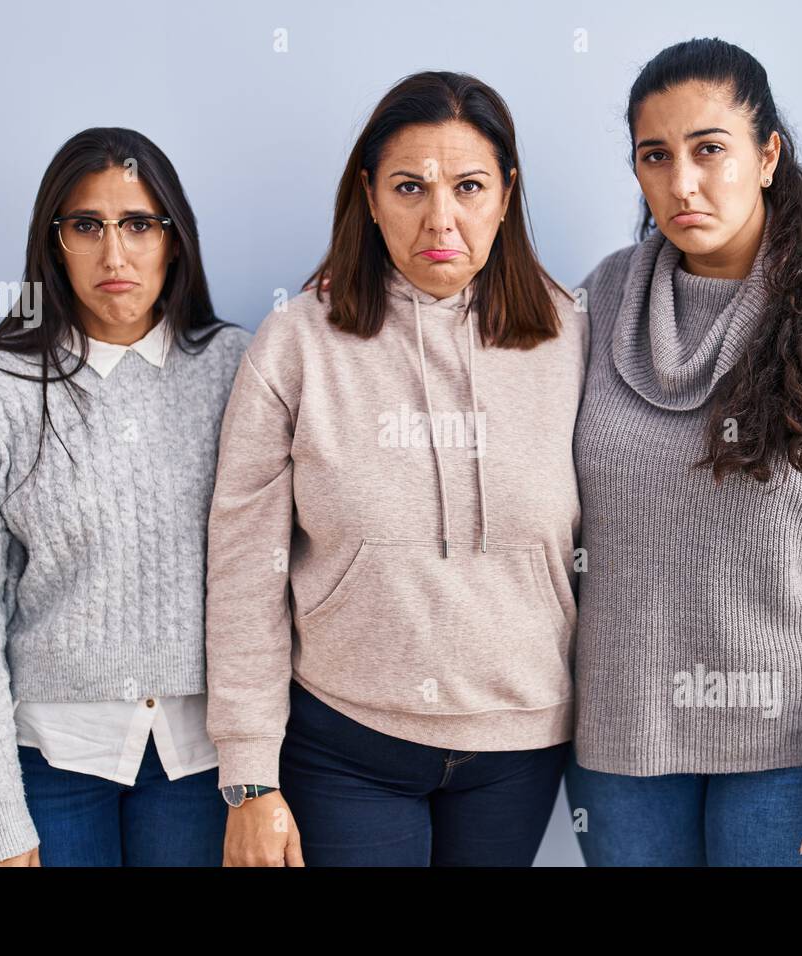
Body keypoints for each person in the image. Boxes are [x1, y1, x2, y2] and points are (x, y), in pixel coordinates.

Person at [204, 71, 589, 866]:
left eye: (470, 186)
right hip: (345, 742)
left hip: (519, 745)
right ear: (370, 196)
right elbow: (244, 569)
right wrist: (248, 778)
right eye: (410, 186)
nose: (439, 218)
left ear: (507, 195)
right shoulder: (296, 343)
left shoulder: (573, 338)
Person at [566, 38, 802, 867]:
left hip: (793, 755)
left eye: (709, 150)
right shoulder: (601, 299)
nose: (682, 182)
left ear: (767, 155)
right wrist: (366, 294)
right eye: (654, 157)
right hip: (623, 750)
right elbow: (493, 350)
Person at [0, 127, 250, 866]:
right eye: (86, 227)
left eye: (138, 224)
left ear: (174, 238)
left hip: (202, 766)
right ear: (53, 242)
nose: (114, 254)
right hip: (54, 765)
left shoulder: (236, 366)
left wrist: (260, 778)